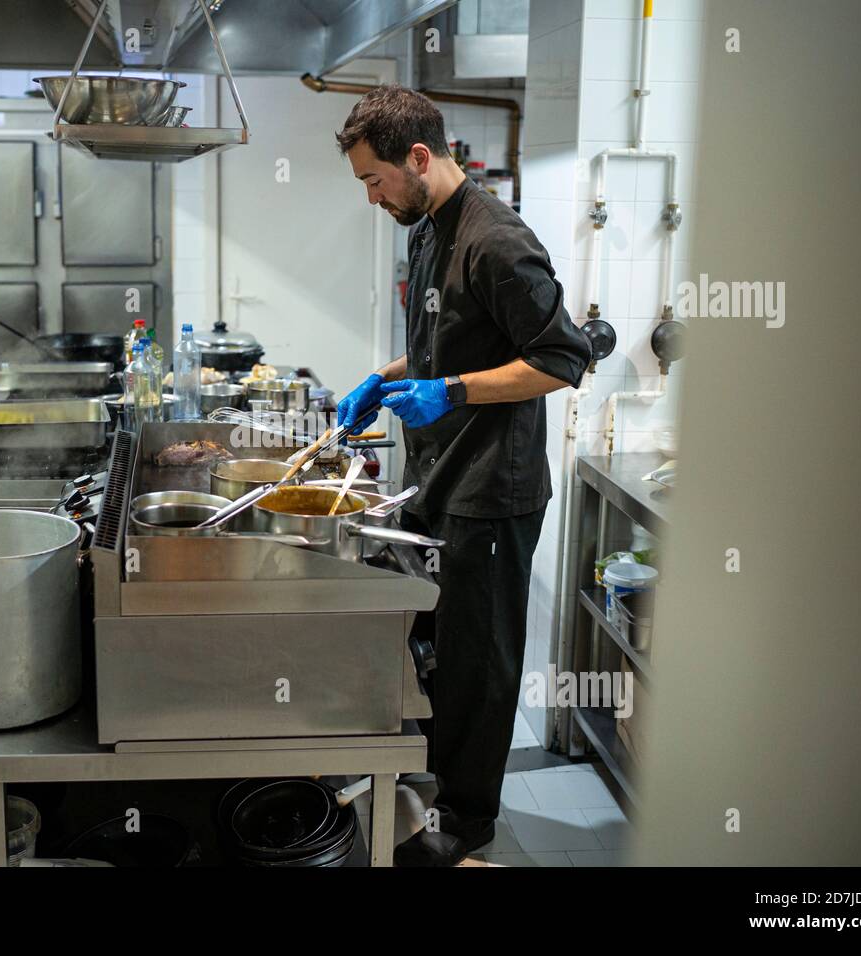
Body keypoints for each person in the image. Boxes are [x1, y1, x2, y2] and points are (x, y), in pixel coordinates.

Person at [333, 85, 592, 866]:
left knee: (479, 664)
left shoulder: (496, 239)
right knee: (439, 649)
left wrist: (450, 391)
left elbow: (562, 359)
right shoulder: (426, 228)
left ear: (418, 158)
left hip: (491, 493)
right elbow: (448, 340)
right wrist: (384, 377)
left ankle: (468, 828)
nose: (374, 198)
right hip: (441, 482)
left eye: (375, 180)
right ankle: (435, 786)